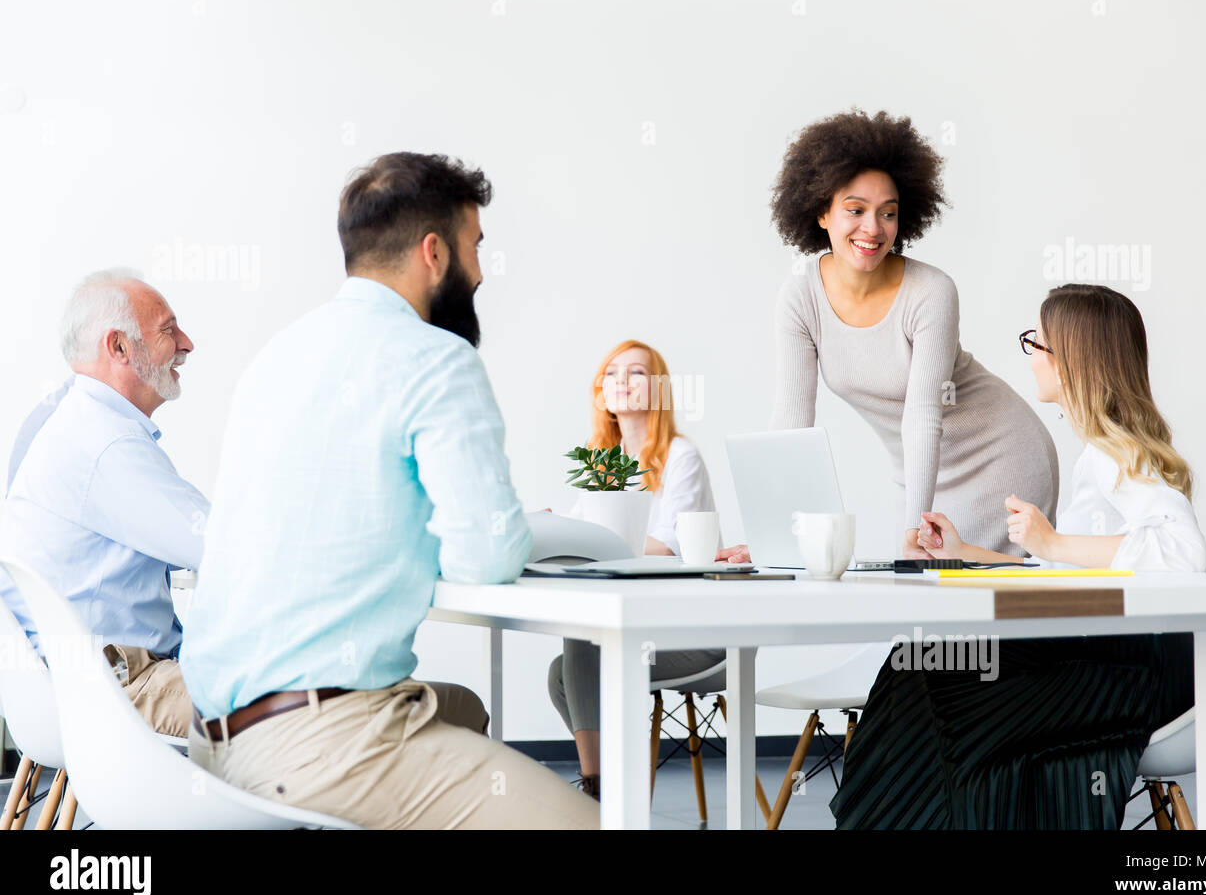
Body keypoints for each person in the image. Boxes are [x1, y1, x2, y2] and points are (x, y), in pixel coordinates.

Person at [179, 151, 597, 829]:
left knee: (462, 708)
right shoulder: (436, 360)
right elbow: (487, 556)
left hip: (212, 740)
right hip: (321, 744)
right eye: (476, 247)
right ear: (434, 254)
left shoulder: (275, 358)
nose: (482, 270)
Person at [829, 283, 1206, 829]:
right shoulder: (1104, 452)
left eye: (1039, 342)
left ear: (1073, 360)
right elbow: (1064, 576)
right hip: (1117, 656)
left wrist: (1050, 541)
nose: (1031, 355)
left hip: (1134, 674)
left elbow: (1183, 552)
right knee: (922, 671)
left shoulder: (1114, 454)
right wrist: (965, 554)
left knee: (925, 676)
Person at [718, 109, 1058, 563]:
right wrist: (771, 535)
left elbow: (923, 414)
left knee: (975, 614)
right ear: (822, 212)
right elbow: (792, 421)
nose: (873, 229)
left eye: (888, 213)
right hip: (918, 474)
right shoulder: (801, 297)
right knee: (922, 619)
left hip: (997, 456)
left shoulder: (931, 292)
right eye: (855, 210)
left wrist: (915, 526)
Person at [0, 270, 205, 737]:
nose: (187, 343)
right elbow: (221, 548)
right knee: (302, 713)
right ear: (119, 347)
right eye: (168, 330)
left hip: (74, 690)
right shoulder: (105, 444)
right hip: (120, 692)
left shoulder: (68, 420)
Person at [548, 340, 723, 799]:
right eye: (612, 373)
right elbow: (580, 532)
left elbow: (665, 546)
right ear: (600, 391)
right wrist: (553, 528)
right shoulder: (602, 463)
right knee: (560, 671)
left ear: (659, 387)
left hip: (692, 633)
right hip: (639, 628)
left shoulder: (680, 456)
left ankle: (599, 788)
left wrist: (588, 538)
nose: (622, 381)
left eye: (637, 373)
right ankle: (607, 779)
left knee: (583, 645)